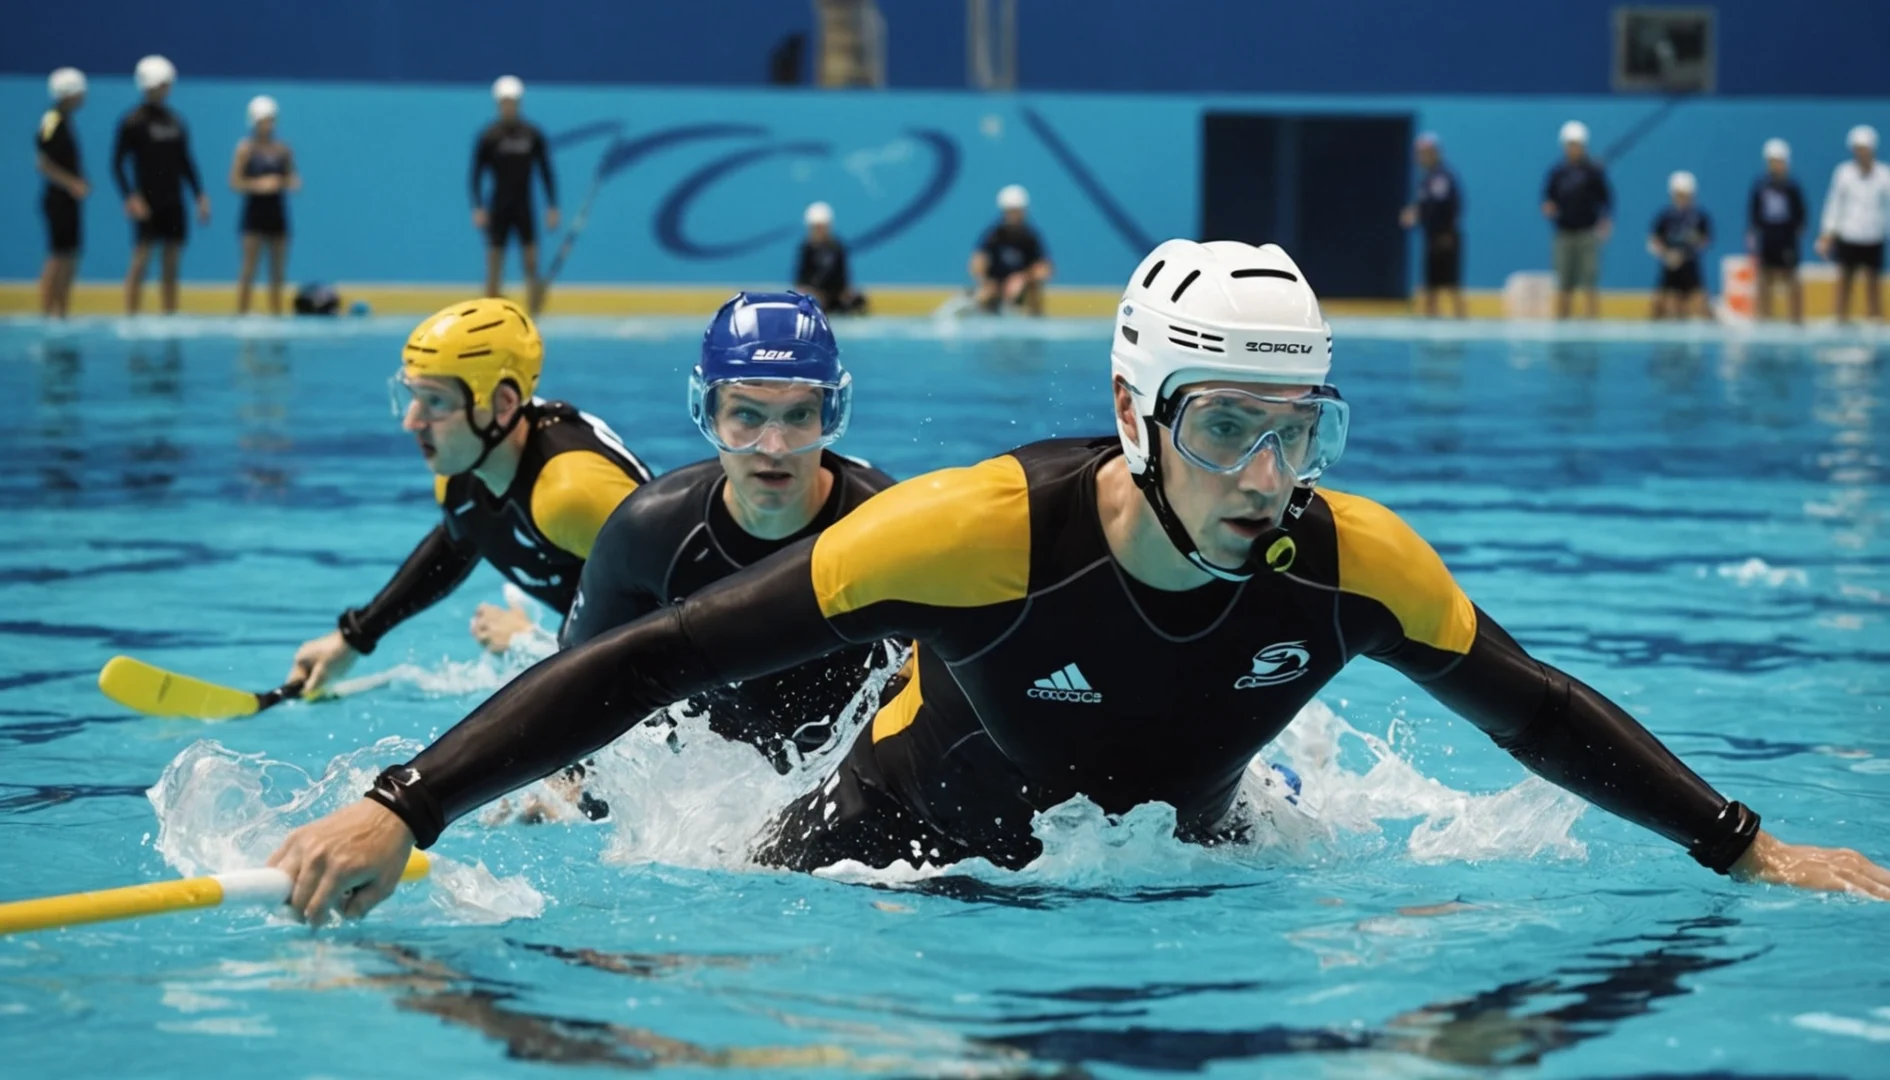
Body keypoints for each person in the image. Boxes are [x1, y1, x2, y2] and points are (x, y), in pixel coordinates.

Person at [268, 238, 1890, 922]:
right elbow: (664, 657)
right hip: (878, 877)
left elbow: (1527, 708)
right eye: (1224, 429)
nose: (1267, 477)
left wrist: (1747, 850)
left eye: (1296, 431)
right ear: (1135, 413)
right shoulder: (976, 534)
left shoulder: (1355, 563)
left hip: (1179, 882)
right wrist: (407, 804)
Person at [561, 291, 900, 774]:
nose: (775, 447)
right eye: (746, 415)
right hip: (701, 785)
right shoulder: (649, 532)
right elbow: (580, 683)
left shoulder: (885, 527)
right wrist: (568, 781)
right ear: (708, 414)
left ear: (830, 414)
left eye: (799, 415)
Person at [284, 298, 651, 696]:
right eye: (412, 396)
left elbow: (689, 617)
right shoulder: (465, 470)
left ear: (503, 404)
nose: (412, 421)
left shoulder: (572, 496)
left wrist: (530, 645)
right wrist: (353, 638)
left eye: (436, 401)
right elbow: (459, 538)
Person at [113, 55, 209, 316]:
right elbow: (117, 163)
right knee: (142, 257)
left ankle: (169, 313)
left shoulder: (175, 121)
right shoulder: (133, 122)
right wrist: (130, 196)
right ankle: (130, 314)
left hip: (173, 199)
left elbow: (185, 161)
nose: (164, 90)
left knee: (172, 260)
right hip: (147, 199)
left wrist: (199, 195)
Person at [471, 76, 558, 316]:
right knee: (494, 263)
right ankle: (490, 314)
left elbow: (545, 171)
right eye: (504, 102)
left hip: (524, 207)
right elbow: (476, 174)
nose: (508, 107)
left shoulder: (532, 135)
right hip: (499, 206)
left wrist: (552, 206)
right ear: (498, 104)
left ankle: (533, 314)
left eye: (513, 102)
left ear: (519, 103)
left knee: (531, 262)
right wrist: (477, 206)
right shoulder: (489, 137)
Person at [229, 95, 299, 316]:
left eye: (270, 120)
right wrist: (260, 185)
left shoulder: (282, 150)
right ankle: (241, 313)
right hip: (254, 213)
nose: (266, 125)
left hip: (277, 212)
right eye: (262, 121)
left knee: (277, 272)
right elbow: (235, 182)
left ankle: (276, 313)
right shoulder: (245, 149)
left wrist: (283, 182)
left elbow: (293, 179)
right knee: (249, 268)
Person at [1816, 125, 1890, 323]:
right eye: (1858, 149)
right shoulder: (1843, 173)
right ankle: (1841, 318)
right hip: (1849, 234)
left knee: (1873, 281)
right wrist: (1827, 235)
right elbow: (1834, 204)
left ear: (1873, 149)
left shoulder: (1885, 175)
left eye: (1864, 148)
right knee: (1845, 280)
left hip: (1874, 234)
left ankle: (1875, 318)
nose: (1861, 153)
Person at [1542, 121, 1612, 320]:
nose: (1573, 149)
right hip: (1564, 234)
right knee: (1564, 282)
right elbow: (1548, 198)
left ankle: (1592, 320)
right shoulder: (1557, 173)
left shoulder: (1593, 172)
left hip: (1587, 234)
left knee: (1590, 280)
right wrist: (1549, 207)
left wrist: (1605, 222)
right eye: (1570, 145)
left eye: (1577, 145)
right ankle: (1563, 320)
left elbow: (1606, 200)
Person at [36, 67, 89, 319]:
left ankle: (62, 311)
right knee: (58, 256)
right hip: (58, 198)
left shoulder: (66, 121)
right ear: (69, 94)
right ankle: (48, 313)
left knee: (71, 255)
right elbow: (43, 162)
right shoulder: (51, 120)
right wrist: (71, 183)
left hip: (68, 198)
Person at [1398, 133, 1464, 319]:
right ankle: (1431, 317)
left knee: (1450, 282)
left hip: (1444, 236)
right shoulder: (1427, 179)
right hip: (1432, 235)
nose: (1420, 158)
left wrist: (1446, 233)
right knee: (1431, 283)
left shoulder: (1442, 178)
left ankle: (1459, 318)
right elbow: (1426, 206)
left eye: (1424, 153)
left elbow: (1448, 207)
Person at [1747, 138, 1807, 323]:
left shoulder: (1792, 188)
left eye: (1779, 162)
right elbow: (1754, 214)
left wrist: (1793, 235)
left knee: (1791, 277)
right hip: (1768, 237)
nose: (1776, 166)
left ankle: (1796, 319)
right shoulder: (1760, 186)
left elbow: (1801, 215)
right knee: (1765, 277)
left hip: (1787, 237)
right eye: (1773, 162)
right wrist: (1753, 235)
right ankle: (1764, 317)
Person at [970, 184, 1052, 315]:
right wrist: (986, 282)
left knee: (1031, 289)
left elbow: (1045, 269)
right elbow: (977, 261)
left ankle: (1032, 317)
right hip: (996, 287)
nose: (1014, 216)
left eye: (1017, 211)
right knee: (983, 295)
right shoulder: (994, 236)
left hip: (1021, 290)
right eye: (1010, 212)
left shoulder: (1030, 238)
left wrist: (1023, 278)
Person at [1646, 171, 1712, 320]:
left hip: (1690, 268)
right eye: (1678, 195)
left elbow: (1704, 242)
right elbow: (1653, 242)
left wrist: (1685, 254)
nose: (1681, 199)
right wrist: (1667, 255)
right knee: (1661, 307)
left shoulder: (1699, 217)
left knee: (1699, 306)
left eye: (1685, 195)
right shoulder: (1665, 217)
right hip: (1670, 269)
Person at [791, 203, 866, 315]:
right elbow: (800, 283)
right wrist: (813, 293)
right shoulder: (806, 249)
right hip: (816, 296)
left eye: (822, 227)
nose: (819, 231)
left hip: (834, 296)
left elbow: (843, 279)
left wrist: (845, 293)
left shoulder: (837, 248)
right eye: (816, 228)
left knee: (859, 301)